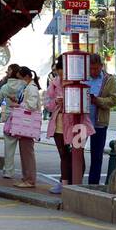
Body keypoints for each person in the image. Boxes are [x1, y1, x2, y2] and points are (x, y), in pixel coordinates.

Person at [2, 66, 42, 188]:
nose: (20, 81)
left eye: (20, 78)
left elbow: (31, 105)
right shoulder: (28, 87)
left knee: (27, 153)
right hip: (25, 124)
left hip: (27, 124)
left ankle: (29, 179)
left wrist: (19, 105)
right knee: (25, 152)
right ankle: (26, 178)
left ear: (26, 77)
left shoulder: (32, 88)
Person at [85, 55, 116, 185]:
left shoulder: (109, 80)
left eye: (95, 68)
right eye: (91, 69)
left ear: (101, 66)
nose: (93, 71)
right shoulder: (83, 78)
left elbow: (113, 100)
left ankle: (93, 183)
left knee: (96, 156)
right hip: (82, 121)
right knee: (76, 151)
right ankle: (75, 180)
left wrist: (97, 100)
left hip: (99, 122)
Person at [0, 67, 29, 180]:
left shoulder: (5, 87)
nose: (7, 72)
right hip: (24, 118)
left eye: (8, 70)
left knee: (9, 146)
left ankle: (8, 171)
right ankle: (27, 174)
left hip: (11, 118)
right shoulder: (25, 85)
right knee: (26, 148)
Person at [45, 61, 69, 196]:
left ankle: (73, 181)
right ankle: (64, 182)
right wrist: (55, 102)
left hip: (74, 122)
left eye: (59, 70)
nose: (58, 73)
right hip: (58, 122)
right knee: (63, 154)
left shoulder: (76, 81)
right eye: (56, 71)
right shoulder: (54, 83)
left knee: (76, 154)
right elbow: (47, 104)